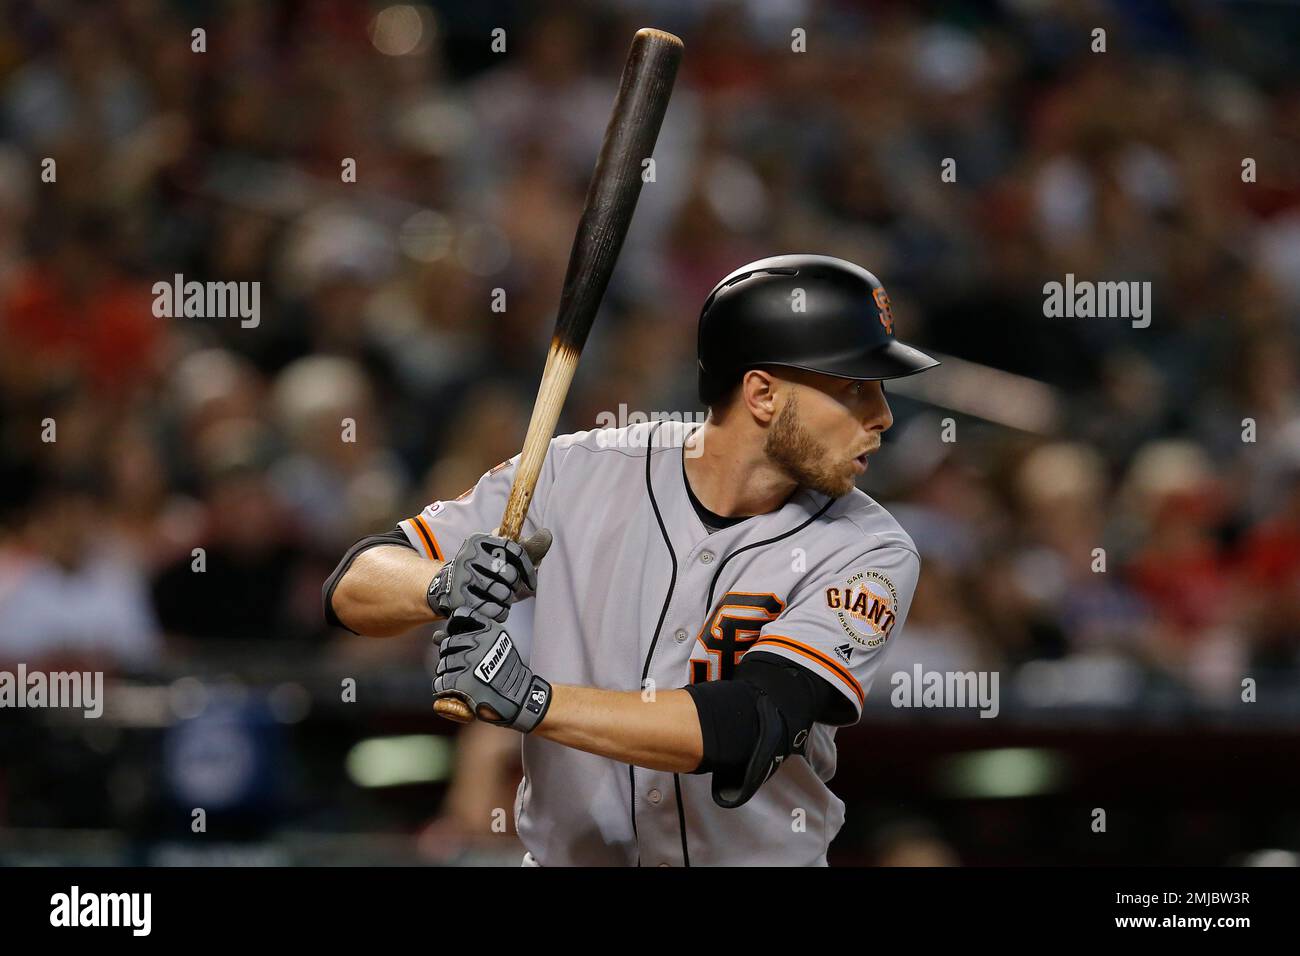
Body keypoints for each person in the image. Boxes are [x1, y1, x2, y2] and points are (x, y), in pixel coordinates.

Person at [324, 255, 939, 865]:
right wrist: (445, 583)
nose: (881, 417)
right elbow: (353, 583)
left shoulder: (868, 548)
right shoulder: (575, 471)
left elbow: (749, 725)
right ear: (762, 394)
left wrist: (533, 701)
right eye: (854, 388)